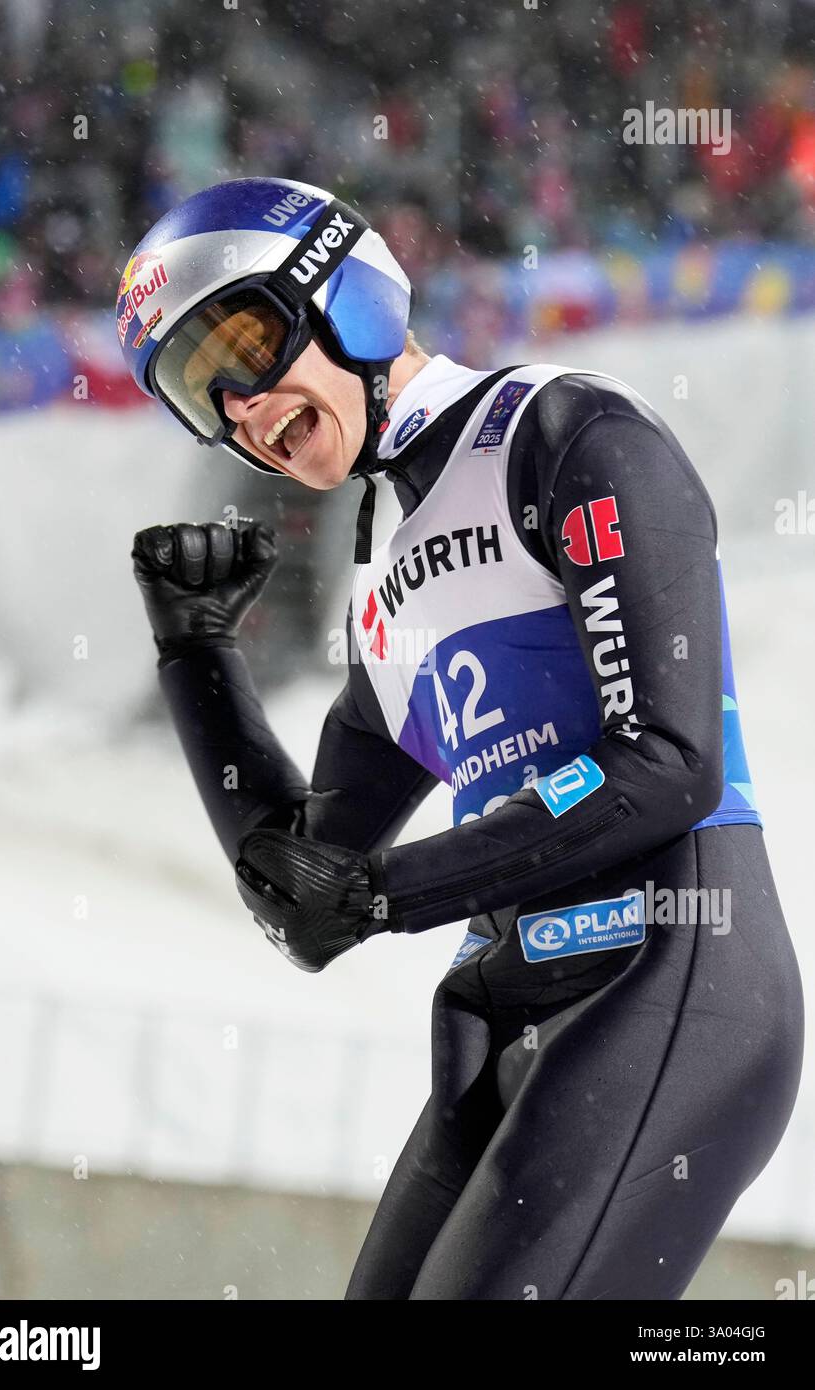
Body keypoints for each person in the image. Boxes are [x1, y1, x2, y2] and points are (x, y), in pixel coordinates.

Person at [118, 177, 804, 1300]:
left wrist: (388, 892)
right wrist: (195, 656)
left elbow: (668, 766)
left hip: (671, 968)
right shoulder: (383, 584)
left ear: (346, 296)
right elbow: (303, 895)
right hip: (513, 1008)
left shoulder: (561, 432)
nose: (239, 404)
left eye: (239, 341)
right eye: (201, 396)